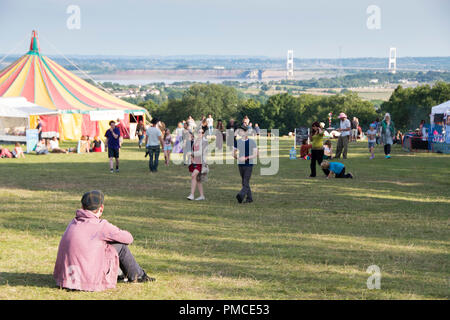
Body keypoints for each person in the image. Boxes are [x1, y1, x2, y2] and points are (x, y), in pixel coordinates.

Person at [53, 190, 155, 292]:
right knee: (119, 245)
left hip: (65, 280)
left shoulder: (73, 223)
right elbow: (128, 238)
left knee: (103, 246)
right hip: (89, 282)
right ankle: (138, 275)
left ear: (82, 206)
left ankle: (120, 274)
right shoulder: (102, 226)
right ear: (101, 208)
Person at [233, 124, 258, 204]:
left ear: (246, 132)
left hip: (249, 164)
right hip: (240, 164)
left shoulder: (252, 142)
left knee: (245, 181)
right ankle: (249, 198)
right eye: (240, 131)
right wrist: (237, 157)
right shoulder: (238, 141)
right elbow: (233, 153)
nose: (241, 132)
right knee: (244, 182)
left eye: (243, 131)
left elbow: (255, 154)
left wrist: (246, 158)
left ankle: (241, 195)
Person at [187, 126, 208, 201]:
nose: (199, 134)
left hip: (201, 162)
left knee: (193, 175)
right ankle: (202, 196)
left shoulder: (205, 141)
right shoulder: (195, 141)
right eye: (198, 132)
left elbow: (200, 152)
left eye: (201, 132)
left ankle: (192, 195)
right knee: (198, 179)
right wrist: (191, 158)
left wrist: (191, 154)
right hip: (194, 162)